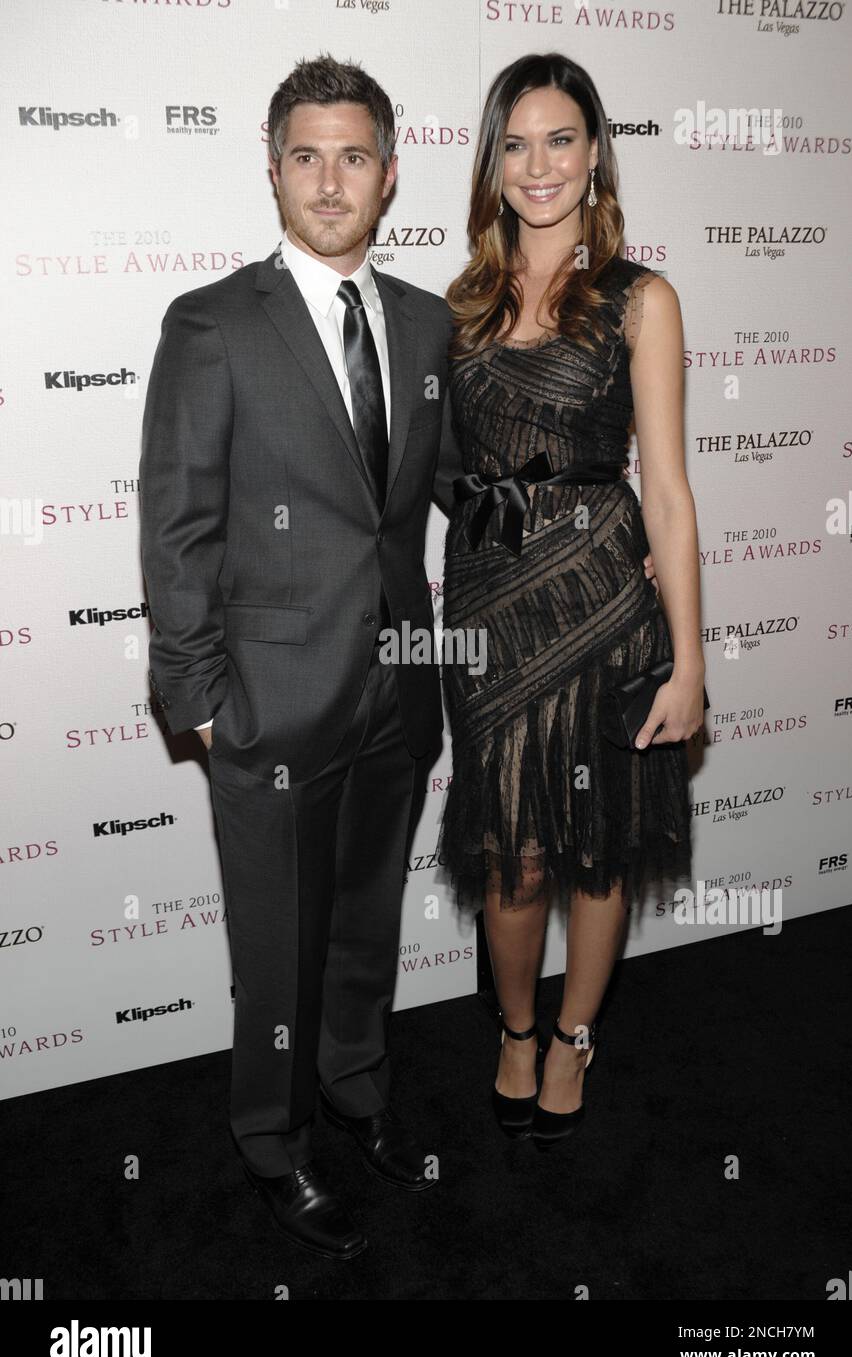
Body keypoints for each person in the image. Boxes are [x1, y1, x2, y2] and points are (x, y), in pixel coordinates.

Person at [139, 54, 464, 1259]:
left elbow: (438, 496)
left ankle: (358, 1090)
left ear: (389, 174)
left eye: (355, 156)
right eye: (306, 155)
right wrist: (201, 698)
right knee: (275, 941)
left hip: (396, 689)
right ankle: (272, 1142)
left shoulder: (427, 322)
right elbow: (175, 522)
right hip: (270, 701)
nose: (331, 181)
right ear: (271, 166)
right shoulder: (216, 324)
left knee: (366, 919)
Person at [436, 53, 706, 1150]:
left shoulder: (641, 300)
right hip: (493, 606)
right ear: (492, 164)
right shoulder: (452, 310)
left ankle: (574, 1036)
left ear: (595, 153)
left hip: (604, 602)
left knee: (596, 845)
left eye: (561, 140)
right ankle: (513, 1024)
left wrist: (688, 662)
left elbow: (672, 496)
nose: (539, 164)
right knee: (515, 854)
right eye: (517, 143)